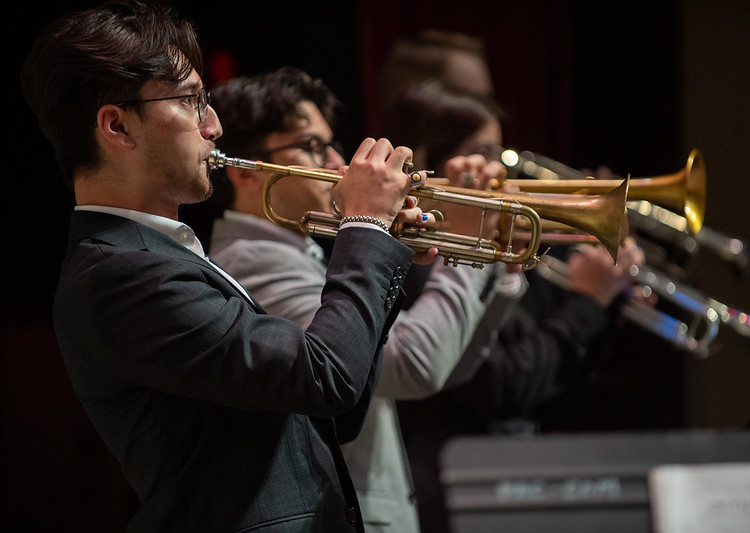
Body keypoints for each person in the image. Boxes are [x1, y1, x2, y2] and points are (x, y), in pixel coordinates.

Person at [21, 2, 435, 531]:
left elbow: (332, 411)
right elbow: (324, 377)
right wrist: (366, 230)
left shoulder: (160, 254)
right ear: (117, 126)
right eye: (192, 101)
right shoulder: (120, 274)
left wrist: (384, 249)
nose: (213, 125)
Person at [207, 67, 527, 533]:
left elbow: (445, 371)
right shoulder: (252, 262)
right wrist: (457, 236)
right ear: (246, 170)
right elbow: (411, 366)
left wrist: (498, 269)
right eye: (312, 145)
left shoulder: (305, 253)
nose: (337, 160)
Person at [381, 79, 645, 532]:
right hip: (452, 491)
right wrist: (586, 303)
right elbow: (502, 386)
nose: (502, 174)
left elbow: (557, 377)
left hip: (502, 472)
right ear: (428, 159)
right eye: (482, 152)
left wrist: (606, 300)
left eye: (501, 153)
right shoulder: (418, 260)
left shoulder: (494, 249)